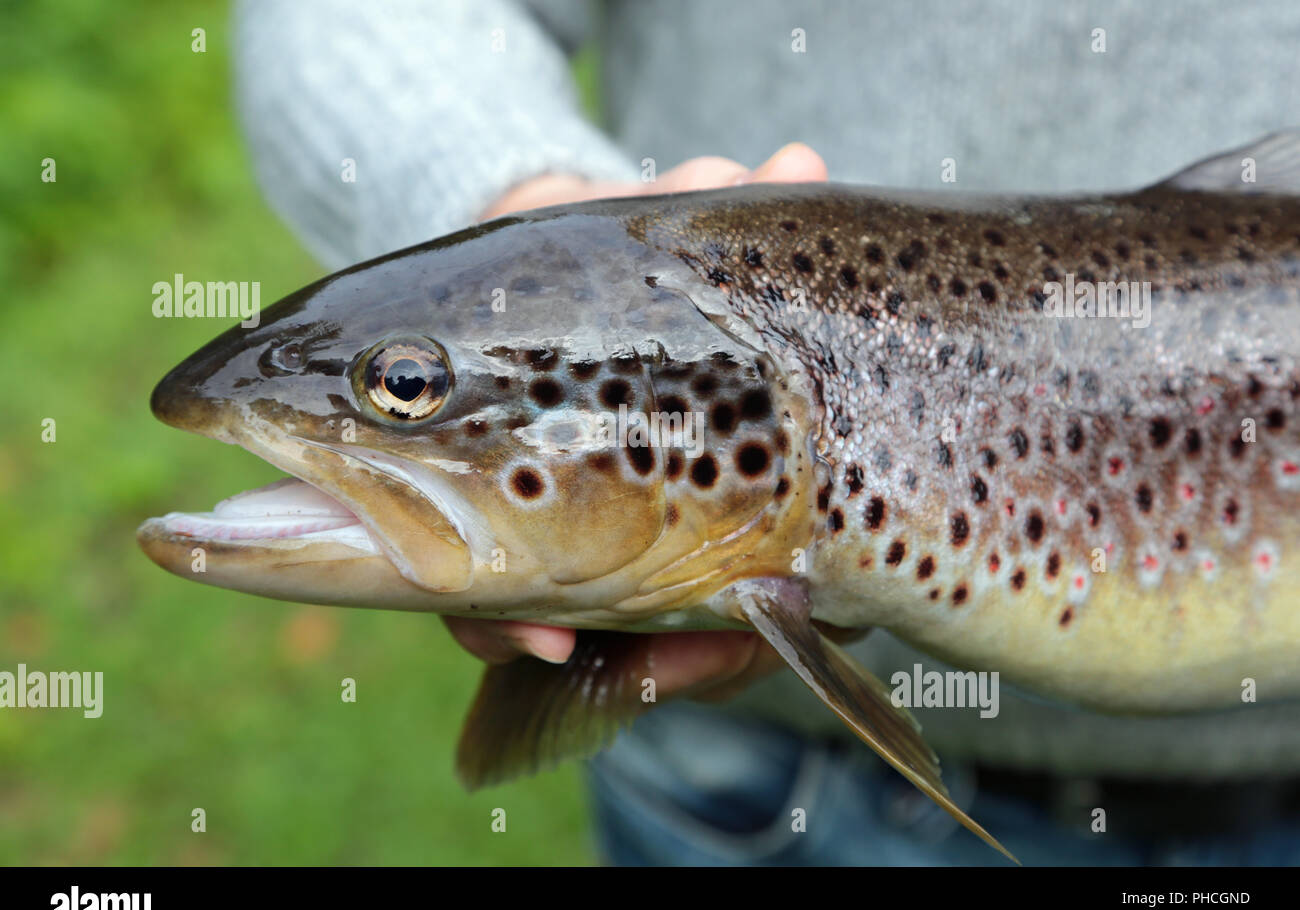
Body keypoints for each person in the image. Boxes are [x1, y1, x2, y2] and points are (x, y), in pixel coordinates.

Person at [234, 0, 1300, 864]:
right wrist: (526, 192)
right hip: (768, 804)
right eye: (409, 388)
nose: (396, 406)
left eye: (408, 389)